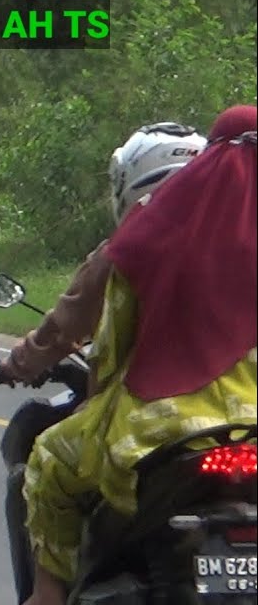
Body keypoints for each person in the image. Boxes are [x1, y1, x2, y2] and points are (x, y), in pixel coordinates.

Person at [19, 104, 258, 605]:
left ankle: (46, 596)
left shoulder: (142, 239)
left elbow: (92, 335)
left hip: (162, 427)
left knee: (45, 463)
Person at [0, 122, 207, 386]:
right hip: (243, 401)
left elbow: (65, 325)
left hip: (150, 401)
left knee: (59, 430)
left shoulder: (121, 255)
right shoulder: (238, 245)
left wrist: (20, 362)